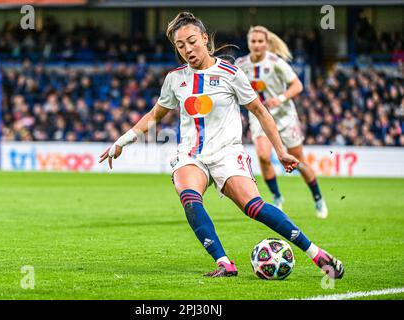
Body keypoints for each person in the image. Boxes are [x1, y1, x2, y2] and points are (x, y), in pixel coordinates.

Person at [99, 12, 344, 278]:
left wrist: (281, 151)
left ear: (205, 39)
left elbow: (260, 112)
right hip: (191, 155)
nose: (187, 50)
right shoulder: (175, 79)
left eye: (192, 41)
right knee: (190, 198)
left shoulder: (230, 73)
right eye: (180, 46)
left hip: (227, 154)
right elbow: (155, 115)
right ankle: (224, 263)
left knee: (254, 207)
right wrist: (122, 141)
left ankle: (317, 254)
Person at [235, 26, 329, 218]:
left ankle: (318, 198)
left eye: (261, 41)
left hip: (284, 117)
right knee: (262, 156)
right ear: (248, 43)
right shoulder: (241, 64)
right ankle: (277, 197)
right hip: (260, 116)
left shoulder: (276, 62)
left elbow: (298, 85)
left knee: (299, 162)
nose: (257, 45)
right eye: (253, 41)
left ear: (267, 43)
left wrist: (281, 98)